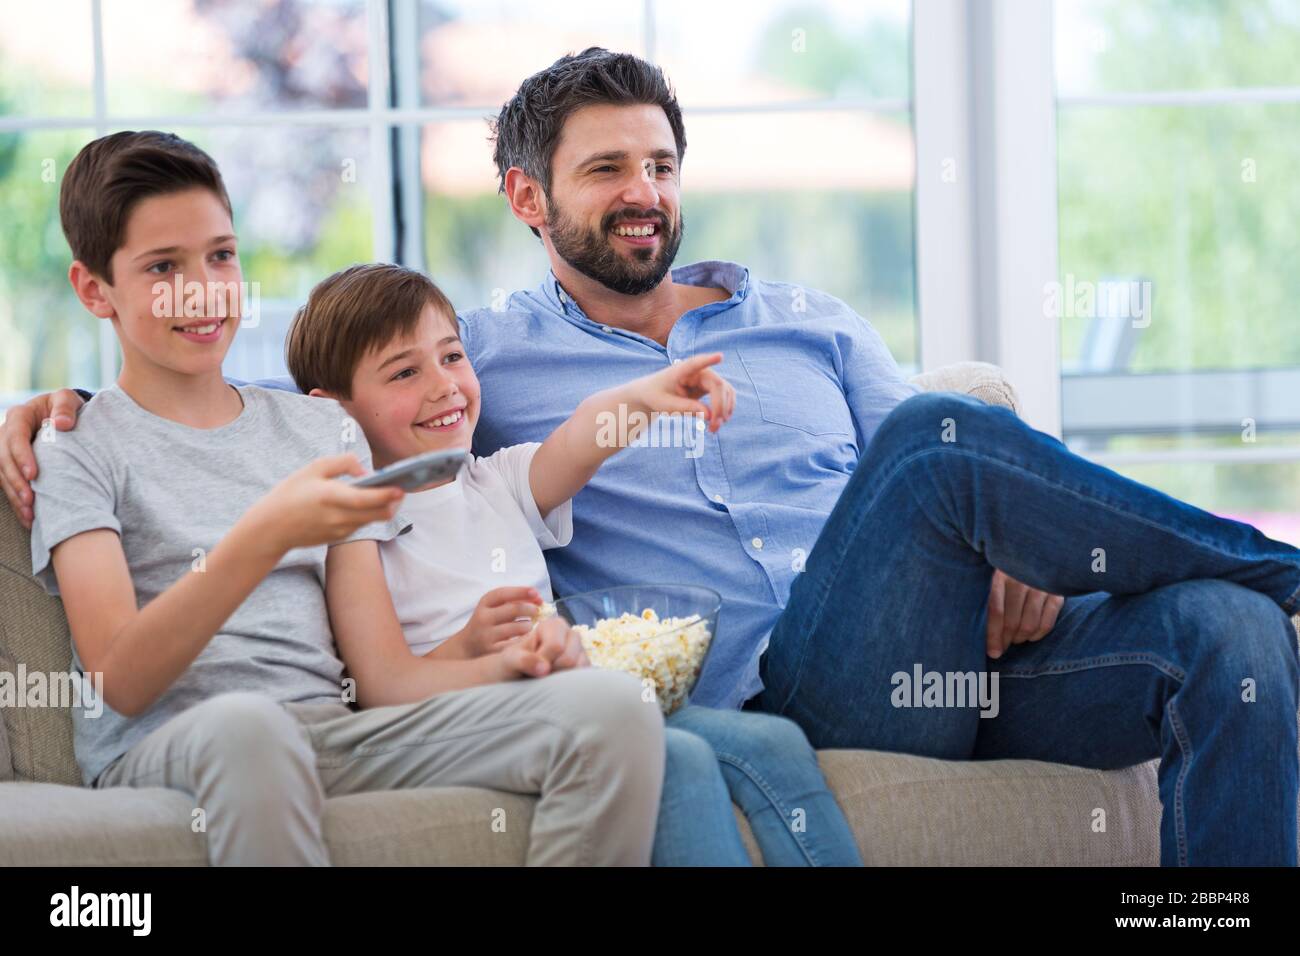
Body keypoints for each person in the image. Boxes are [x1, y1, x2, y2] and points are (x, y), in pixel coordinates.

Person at [6, 51, 1297, 865]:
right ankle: (1282, 565)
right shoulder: (482, 362)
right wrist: (52, 403)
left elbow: (976, 483)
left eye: (663, 165)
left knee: (1228, 639)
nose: (644, 190)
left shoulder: (815, 322)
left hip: (970, 663)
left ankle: (1264, 596)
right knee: (933, 443)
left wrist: (1041, 568)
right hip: (807, 687)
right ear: (526, 199)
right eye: (607, 166)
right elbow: (302, 373)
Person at [21, 129, 665, 866]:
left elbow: (386, 679)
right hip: (174, 745)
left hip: (333, 735)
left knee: (612, 708)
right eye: (164, 266)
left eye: (221, 255)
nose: (204, 290)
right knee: (249, 730)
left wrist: (521, 666)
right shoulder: (77, 444)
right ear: (93, 289)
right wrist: (265, 532)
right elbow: (121, 680)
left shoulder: (323, 429)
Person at [283, 261, 863, 866]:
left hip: (581, 701)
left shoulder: (495, 481)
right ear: (332, 413)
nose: (444, 385)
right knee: (682, 761)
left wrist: (646, 395)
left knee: (773, 739)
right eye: (405, 371)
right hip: (477, 722)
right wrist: (475, 648)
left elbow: (581, 439)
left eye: (452, 356)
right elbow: (382, 687)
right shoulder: (353, 523)